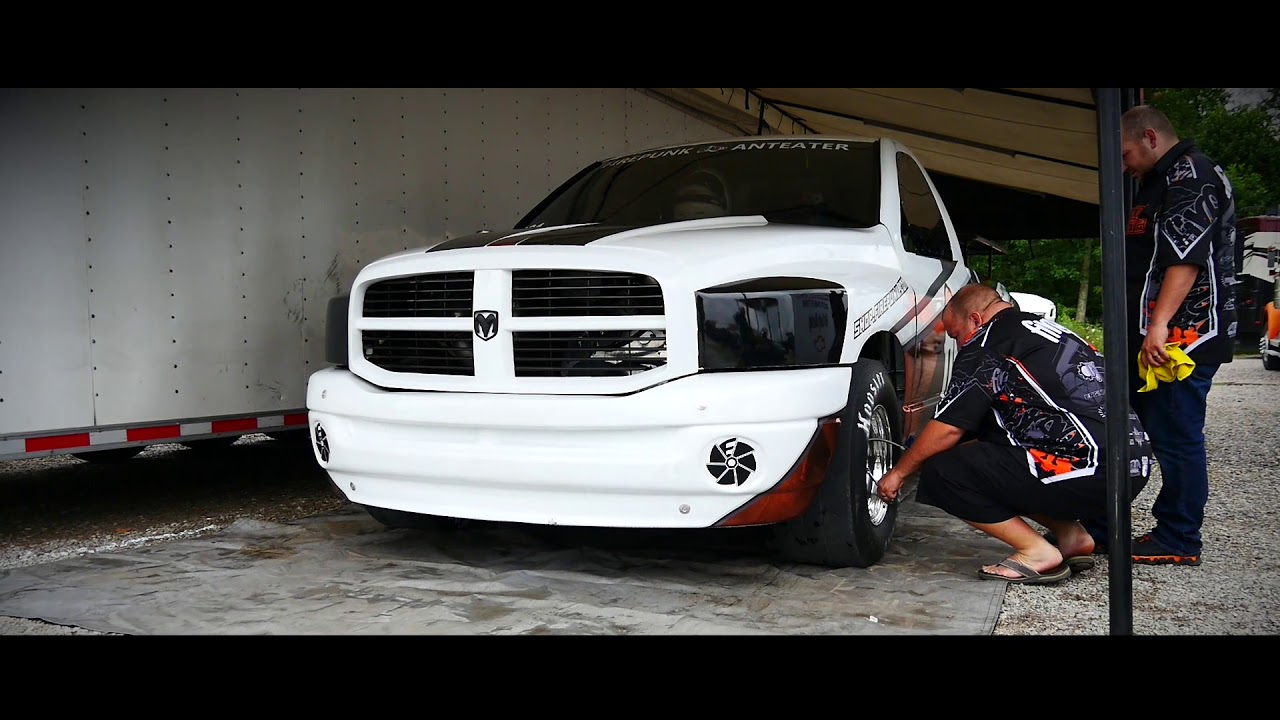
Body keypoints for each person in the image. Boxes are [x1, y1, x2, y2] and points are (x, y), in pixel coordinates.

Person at [875, 283, 1152, 585]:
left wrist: (899, 473)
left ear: (976, 320)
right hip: (1131, 466)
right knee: (994, 454)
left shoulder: (987, 344)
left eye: (956, 335)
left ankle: (1036, 553)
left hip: (1088, 470)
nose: (959, 344)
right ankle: (1072, 537)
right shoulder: (1046, 330)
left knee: (942, 472)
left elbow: (949, 428)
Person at [1078, 104, 1236, 566]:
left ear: (1150, 137)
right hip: (1148, 333)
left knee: (1174, 435)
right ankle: (1103, 527)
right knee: (1123, 429)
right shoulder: (1154, 181)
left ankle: (1179, 536)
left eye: (1125, 153)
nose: (1122, 165)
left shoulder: (1192, 175)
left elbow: (1184, 259)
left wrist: (1160, 325)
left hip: (1180, 337)